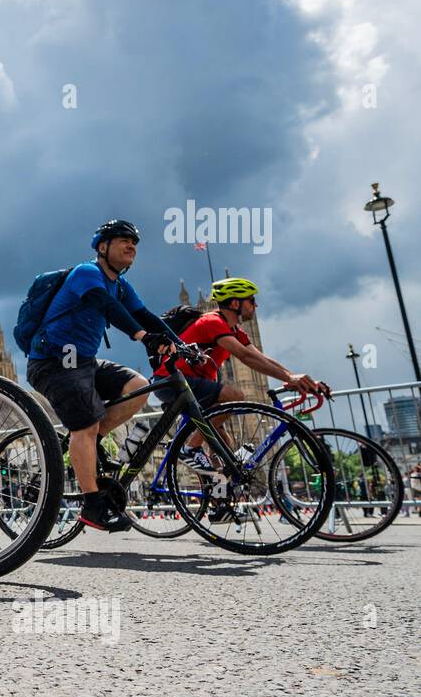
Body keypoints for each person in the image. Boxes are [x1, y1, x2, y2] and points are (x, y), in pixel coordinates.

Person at [25, 219, 177, 532]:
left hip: (84, 361)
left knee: (138, 386)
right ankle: (92, 506)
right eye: (123, 239)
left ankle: (89, 443)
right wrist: (142, 336)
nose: (131, 245)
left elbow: (144, 314)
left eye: (134, 241)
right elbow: (107, 307)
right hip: (54, 361)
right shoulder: (87, 273)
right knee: (86, 423)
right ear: (102, 247)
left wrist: (178, 342)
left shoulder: (121, 285)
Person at [152, 278, 327, 470]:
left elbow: (260, 358)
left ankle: (217, 490)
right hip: (175, 383)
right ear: (235, 303)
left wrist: (296, 378)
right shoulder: (212, 321)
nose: (256, 305)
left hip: (195, 387)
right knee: (235, 397)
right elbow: (244, 356)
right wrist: (289, 378)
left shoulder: (235, 330)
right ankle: (190, 448)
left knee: (224, 447)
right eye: (251, 300)